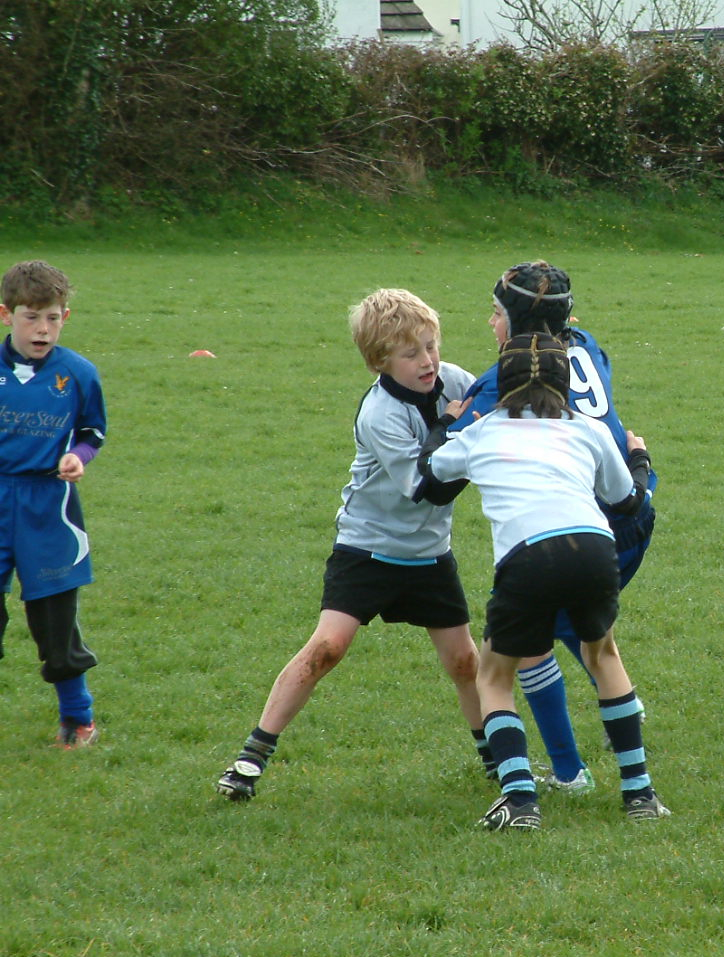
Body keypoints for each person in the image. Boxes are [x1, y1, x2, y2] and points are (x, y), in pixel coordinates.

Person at [216, 288, 490, 800]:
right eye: (411, 354)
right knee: (326, 649)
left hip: (430, 552)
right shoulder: (380, 414)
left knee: (464, 662)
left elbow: (497, 410)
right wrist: (456, 426)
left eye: (431, 345)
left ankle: (498, 762)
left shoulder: (457, 381)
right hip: (368, 548)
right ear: (378, 362)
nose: (428, 360)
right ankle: (250, 759)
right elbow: (425, 488)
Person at [420, 332, 668, 830]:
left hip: (527, 554)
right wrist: (641, 460)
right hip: (594, 546)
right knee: (604, 657)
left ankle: (519, 799)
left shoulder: (483, 429)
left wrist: (446, 423)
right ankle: (639, 793)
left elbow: (427, 481)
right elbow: (627, 502)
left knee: (493, 676)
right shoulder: (587, 428)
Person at [455, 260, 656, 793]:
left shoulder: (509, 376)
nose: (491, 325)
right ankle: (617, 732)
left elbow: (453, 443)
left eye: (497, 315)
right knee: (586, 638)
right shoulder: (584, 344)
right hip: (627, 507)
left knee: (528, 639)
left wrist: (456, 413)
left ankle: (570, 771)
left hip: (582, 519)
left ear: (519, 326)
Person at [0, 260, 107, 748]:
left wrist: (78, 457)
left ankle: (77, 716)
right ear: (6, 314)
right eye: (31, 317)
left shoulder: (79, 374)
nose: (42, 328)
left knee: (54, 619)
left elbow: (92, 433)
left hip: (49, 507)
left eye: (54, 317)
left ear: (67, 316)